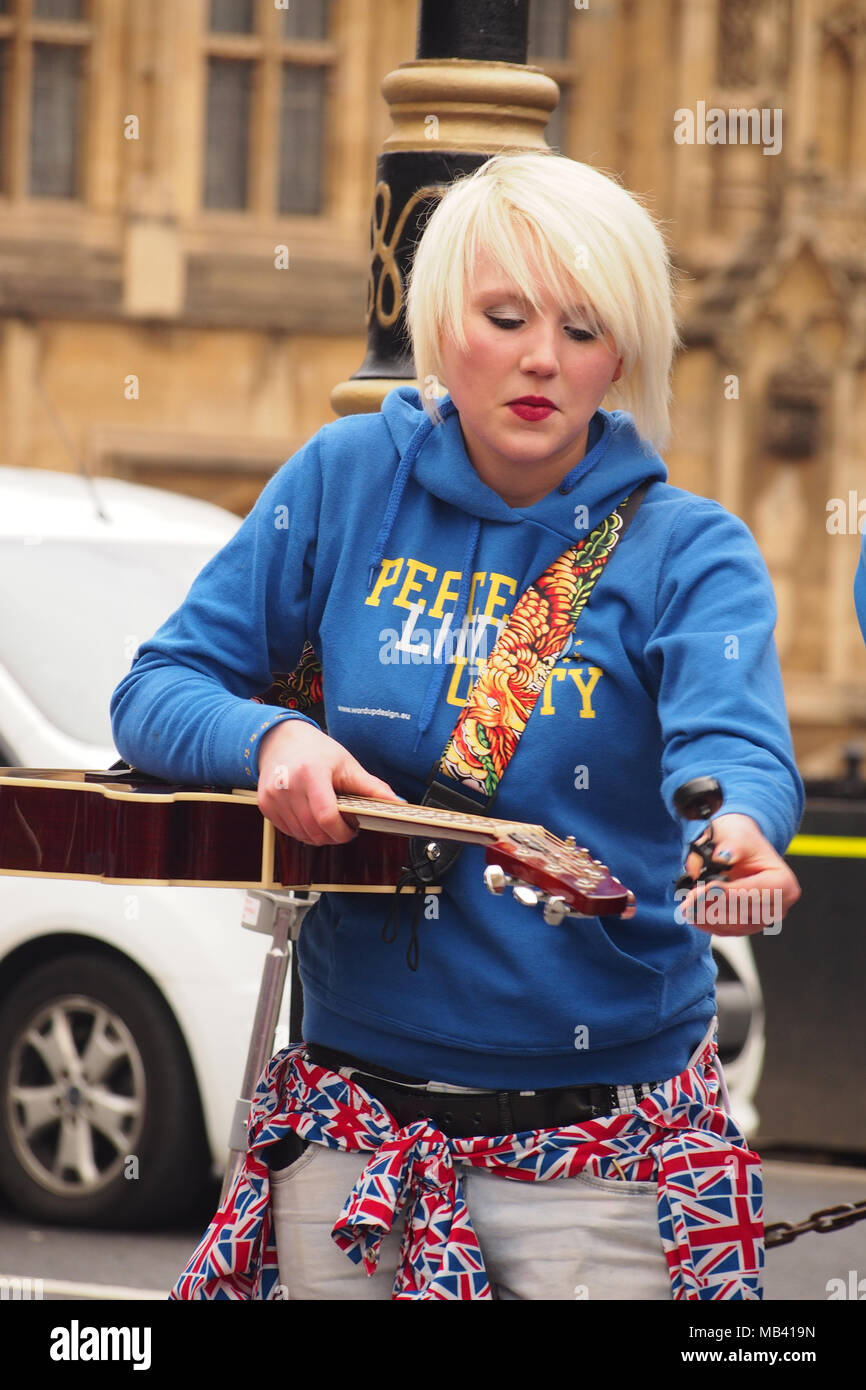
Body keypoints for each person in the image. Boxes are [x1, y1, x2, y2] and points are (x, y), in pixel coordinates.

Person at [111, 152, 802, 1301]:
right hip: (353, 1141)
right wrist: (271, 742)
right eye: (505, 316)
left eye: (583, 329)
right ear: (441, 322)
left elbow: (727, 749)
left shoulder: (691, 550)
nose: (542, 356)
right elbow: (159, 688)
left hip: (602, 1165)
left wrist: (734, 831)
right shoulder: (342, 480)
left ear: (620, 355)